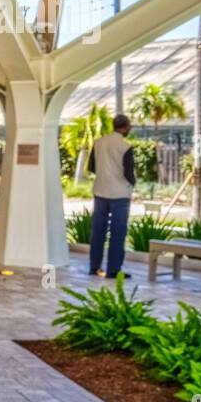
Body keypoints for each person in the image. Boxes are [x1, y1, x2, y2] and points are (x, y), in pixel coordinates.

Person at [88, 114, 136, 279]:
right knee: (117, 233)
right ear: (125, 127)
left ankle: (94, 267)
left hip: (100, 192)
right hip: (120, 194)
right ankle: (113, 270)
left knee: (98, 232)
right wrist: (132, 184)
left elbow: (92, 167)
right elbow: (129, 172)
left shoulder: (99, 143)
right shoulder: (125, 146)